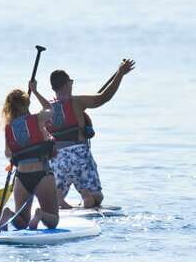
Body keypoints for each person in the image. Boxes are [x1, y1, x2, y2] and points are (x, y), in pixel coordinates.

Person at [31, 59, 136, 208]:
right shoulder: (77, 102)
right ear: (67, 84)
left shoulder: (47, 108)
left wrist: (34, 91)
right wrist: (120, 74)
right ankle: (88, 196)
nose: (72, 84)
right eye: (71, 81)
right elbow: (103, 98)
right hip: (79, 153)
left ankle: (59, 198)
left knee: (54, 197)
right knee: (97, 197)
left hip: (57, 157)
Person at [0, 89, 59, 230]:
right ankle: (40, 214)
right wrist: (36, 91)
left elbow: (8, 154)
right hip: (42, 173)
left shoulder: (8, 128)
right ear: (27, 104)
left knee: (22, 223)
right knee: (53, 221)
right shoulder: (37, 119)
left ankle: (7, 214)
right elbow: (51, 109)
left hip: (21, 177)